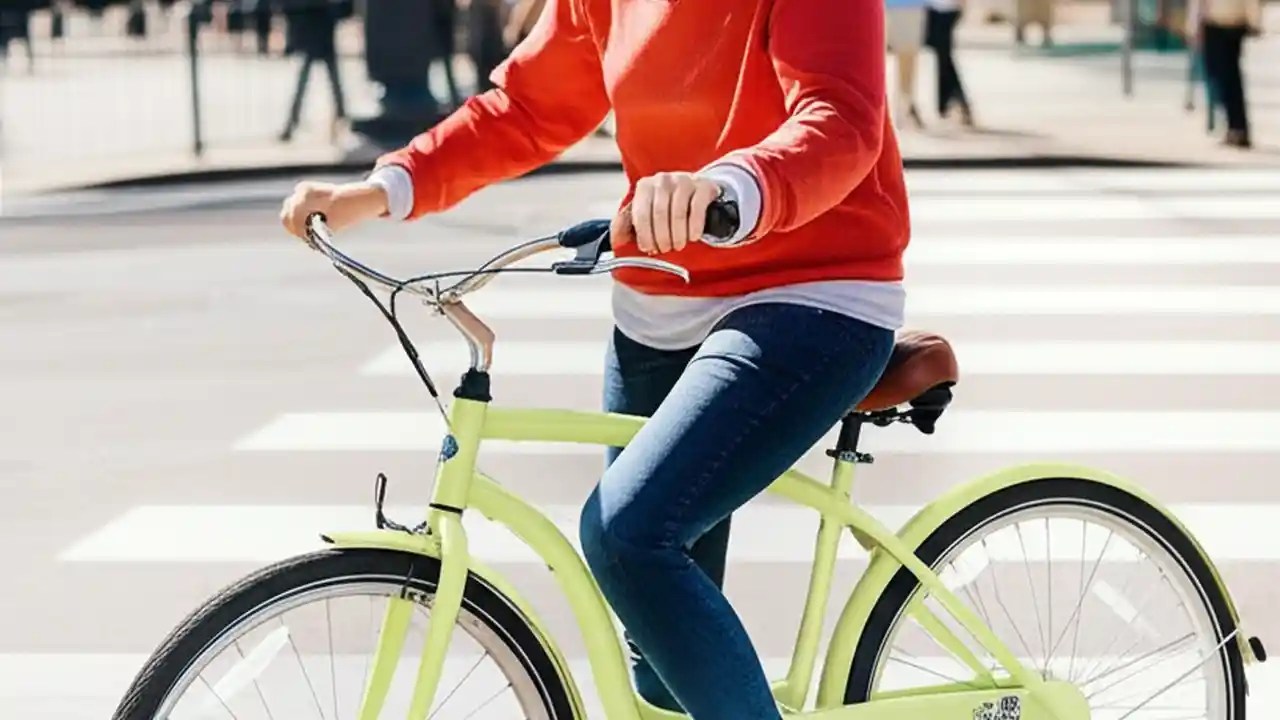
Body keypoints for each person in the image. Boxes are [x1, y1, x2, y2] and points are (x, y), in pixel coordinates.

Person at [279, 0, 909, 715]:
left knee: (628, 538)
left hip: (814, 293)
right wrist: (386, 187)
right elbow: (525, 108)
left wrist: (732, 185)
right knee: (656, 662)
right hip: (659, 303)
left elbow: (840, 117)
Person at [1190, 0, 1262, 148]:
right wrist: (1255, 20)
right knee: (1230, 77)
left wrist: (1193, 25)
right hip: (1231, 22)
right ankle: (1237, 128)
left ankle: (1236, 128)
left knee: (1223, 77)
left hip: (1219, 23)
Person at [925, 0, 973, 126]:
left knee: (943, 55)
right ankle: (949, 101)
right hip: (933, 8)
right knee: (942, 55)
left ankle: (953, 101)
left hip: (947, 8)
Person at [885, 0, 928, 128]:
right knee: (904, 56)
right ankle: (901, 107)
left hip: (911, 7)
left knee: (908, 57)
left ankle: (905, 104)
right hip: (892, 7)